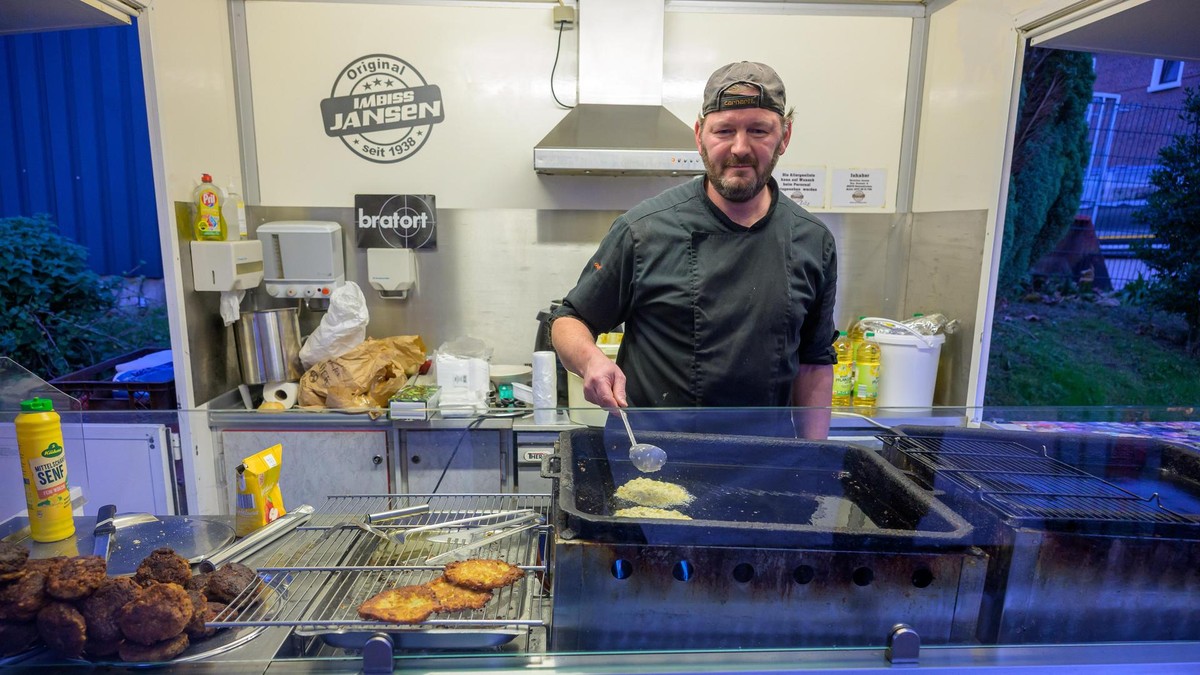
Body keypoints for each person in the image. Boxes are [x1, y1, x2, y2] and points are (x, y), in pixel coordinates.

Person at [550, 61, 838, 439]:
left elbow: (814, 364)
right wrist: (591, 361)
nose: (740, 148)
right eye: (724, 130)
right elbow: (570, 319)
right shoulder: (643, 230)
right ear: (700, 134)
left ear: (784, 137)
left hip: (765, 468)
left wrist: (812, 462)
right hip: (652, 460)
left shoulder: (814, 241)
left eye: (758, 130)